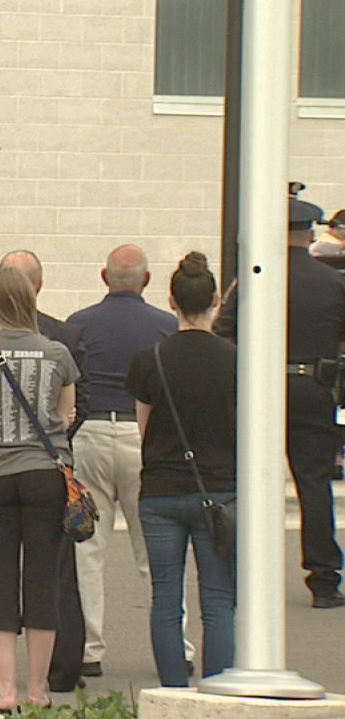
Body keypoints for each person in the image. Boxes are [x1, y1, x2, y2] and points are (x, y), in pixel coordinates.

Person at [0, 251, 89, 694]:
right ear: (36, 291)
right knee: (48, 578)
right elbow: (69, 415)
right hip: (44, 472)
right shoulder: (61, 344)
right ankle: (44, 683)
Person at [215, 190, 345, 608]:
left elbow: (223, 332)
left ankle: (242, 572)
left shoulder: (254, 276)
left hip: (261, 390)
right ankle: (323, 580)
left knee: (250, 481)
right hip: (313, 388)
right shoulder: (333, 282)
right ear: (309, 234)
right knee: (313, 484)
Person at [64, 244, 177, 678]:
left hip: (91, 432)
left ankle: (89, 649)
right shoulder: (165, 326)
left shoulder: (79, 324)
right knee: (154, 551)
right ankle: (177, 645)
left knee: (89, 548)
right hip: (141, 435)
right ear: (146, 280)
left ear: (103, 276)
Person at [126, 252, 237, 687]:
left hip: (161, 489)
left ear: (170, 300)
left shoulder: (149, 358)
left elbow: (143, 426)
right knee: (218, 597)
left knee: (166, 598)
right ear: (214, 301)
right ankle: (219, 688)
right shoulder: (233, 358)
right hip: (220, 490)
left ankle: (173, 690)